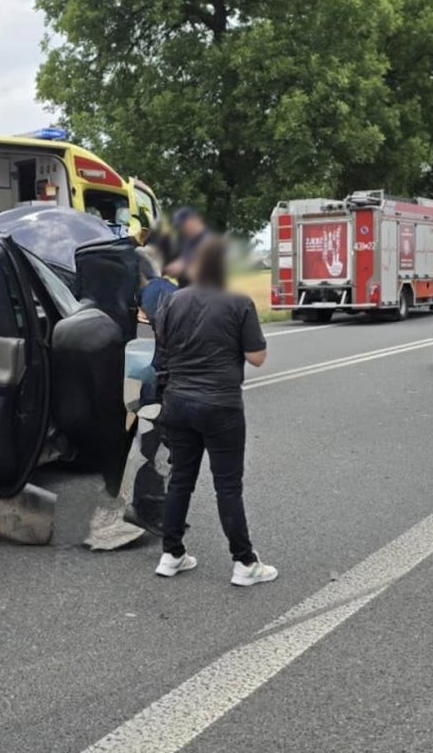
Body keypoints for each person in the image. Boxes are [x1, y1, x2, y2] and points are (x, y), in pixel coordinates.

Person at [150, 235, 276, 586]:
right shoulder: (238, 301)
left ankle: (171, 554)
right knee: (227, 486)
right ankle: (244, 563)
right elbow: (257, 357)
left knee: (180, 481)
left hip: (177, 402)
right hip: (220, 405)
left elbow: (162, 354)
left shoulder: (172, 302)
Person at [164, 207, 209, 287]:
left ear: (193, 221)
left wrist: (183, 268)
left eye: (183, 225)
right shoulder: (190, 242)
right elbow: (184, 259)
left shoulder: (209, 241)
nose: (181, 229)